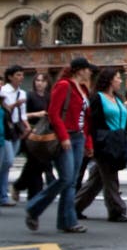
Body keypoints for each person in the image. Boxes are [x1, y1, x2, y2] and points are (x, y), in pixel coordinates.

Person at [25, 57, 95, 233]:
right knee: (66, 178)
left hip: (79, 138)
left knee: (71, 182)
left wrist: (88, 142)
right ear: (79, 70)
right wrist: (64, 137)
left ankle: (67, 222)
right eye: (88, 69)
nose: (90, 72)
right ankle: (34, 207)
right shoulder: (64, 85)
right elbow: (54, 114)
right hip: (65, 138)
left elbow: (85, 120)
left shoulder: (84, 89)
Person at [75, 68, 127, 222]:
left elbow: (125, 121)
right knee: (110, 176)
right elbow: (91, 123)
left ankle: (74, 207)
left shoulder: (117, 99)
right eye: (118, 78)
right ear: (110, 80)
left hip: (118, 141)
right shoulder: (97, 98)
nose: (120, 81)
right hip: (104, 142)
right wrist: (90, 144)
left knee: (97, 179)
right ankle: (116, 210)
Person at [11, 73, 53, 202]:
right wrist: (37, 114)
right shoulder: (29, 96)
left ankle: (21, 186)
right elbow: (21, 115)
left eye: (42, 81)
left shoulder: (49, 97)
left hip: (44, 135)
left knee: (37, 164)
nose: (39, 83)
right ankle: (33, 194)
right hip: (30, 133)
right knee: (35, 162)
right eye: (37, 80)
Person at [1, 64, 31, 206]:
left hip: (15, 130)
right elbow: (4, 111)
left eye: (22, 75)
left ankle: (3, 195)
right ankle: (3, 195)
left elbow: (23, 114)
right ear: (10, 77)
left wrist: (27, 126)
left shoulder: (22, 93)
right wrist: (15, 104)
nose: (21, 78)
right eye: (18, 75)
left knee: (7, 164)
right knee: (7, 162)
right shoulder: (3, 91)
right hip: (5, 129)